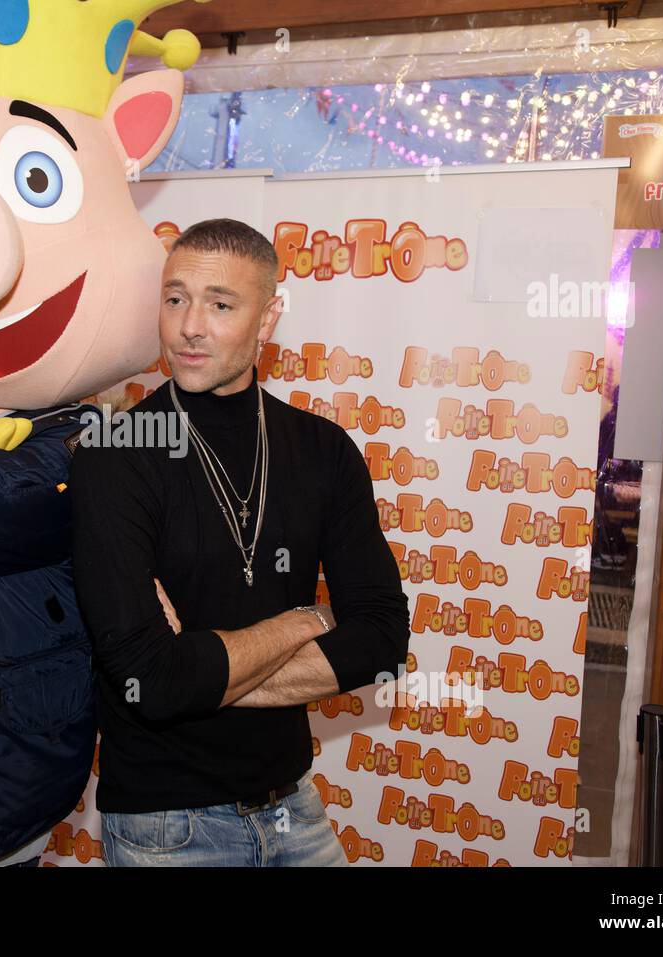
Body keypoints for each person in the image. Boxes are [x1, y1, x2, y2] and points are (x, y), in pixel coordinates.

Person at [69, 218, 411, 867]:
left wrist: (201, 671)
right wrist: (309, 620)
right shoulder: (113, 453)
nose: (189, 326)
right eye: (175, 299)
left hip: (295, 806)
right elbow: (152, 679)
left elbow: (382, 639)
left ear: (268, 317)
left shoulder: (323, 451)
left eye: (220, 304)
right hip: (167, 827)